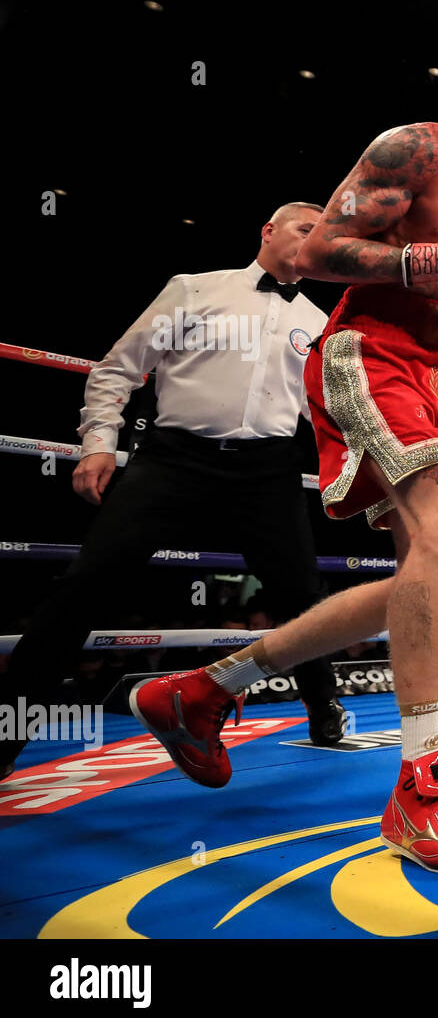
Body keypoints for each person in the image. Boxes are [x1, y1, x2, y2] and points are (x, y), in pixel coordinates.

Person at [125, 51, 438, 875]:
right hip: (371, 348)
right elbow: (316, 252)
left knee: (423, 573)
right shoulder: (414, 151)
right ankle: (422, 785)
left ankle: (205, 687)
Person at [0, 203, 346, 781]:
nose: (314, 240)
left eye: (325, 235)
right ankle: (7, 732)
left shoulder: (320, 323)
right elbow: (118, 369)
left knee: (301, 595)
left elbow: (330, 417)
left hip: (268, 470)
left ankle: (323, 706)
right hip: (174, 459)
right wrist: (98, 443)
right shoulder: (193, 289)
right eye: (304, 227)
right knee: (84, 585)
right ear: (267, 230)